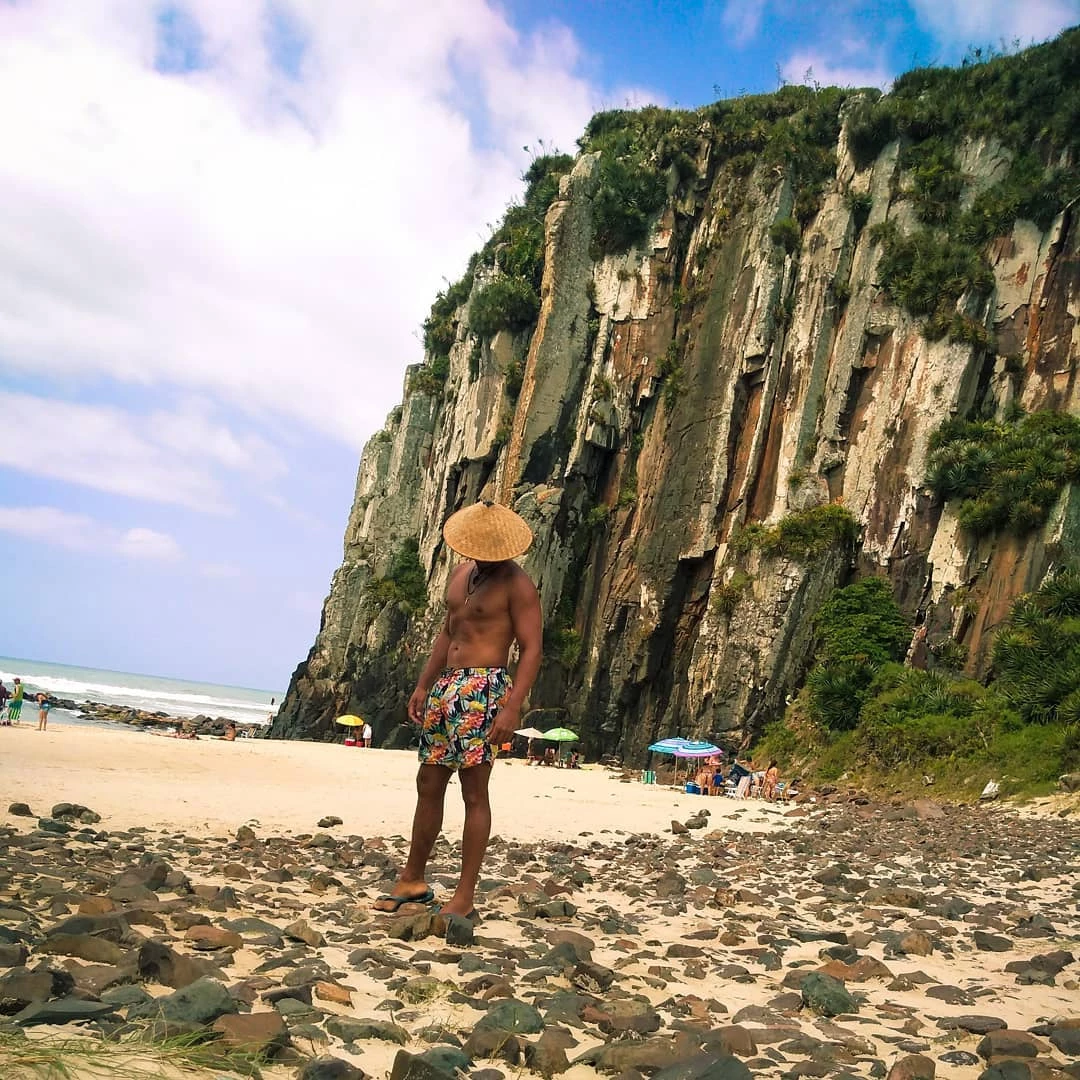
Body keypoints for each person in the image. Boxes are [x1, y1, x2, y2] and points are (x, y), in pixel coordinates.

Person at [373, 500, 542, 920]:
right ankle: (412, 879)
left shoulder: (517, 584)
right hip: (446, 687)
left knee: (474, 791)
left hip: (485, 688)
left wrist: (512, 708)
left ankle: (464, 896)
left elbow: (532, 649)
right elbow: (447, 633)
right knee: (428, 782)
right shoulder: (463, 573)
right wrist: (424, 683)